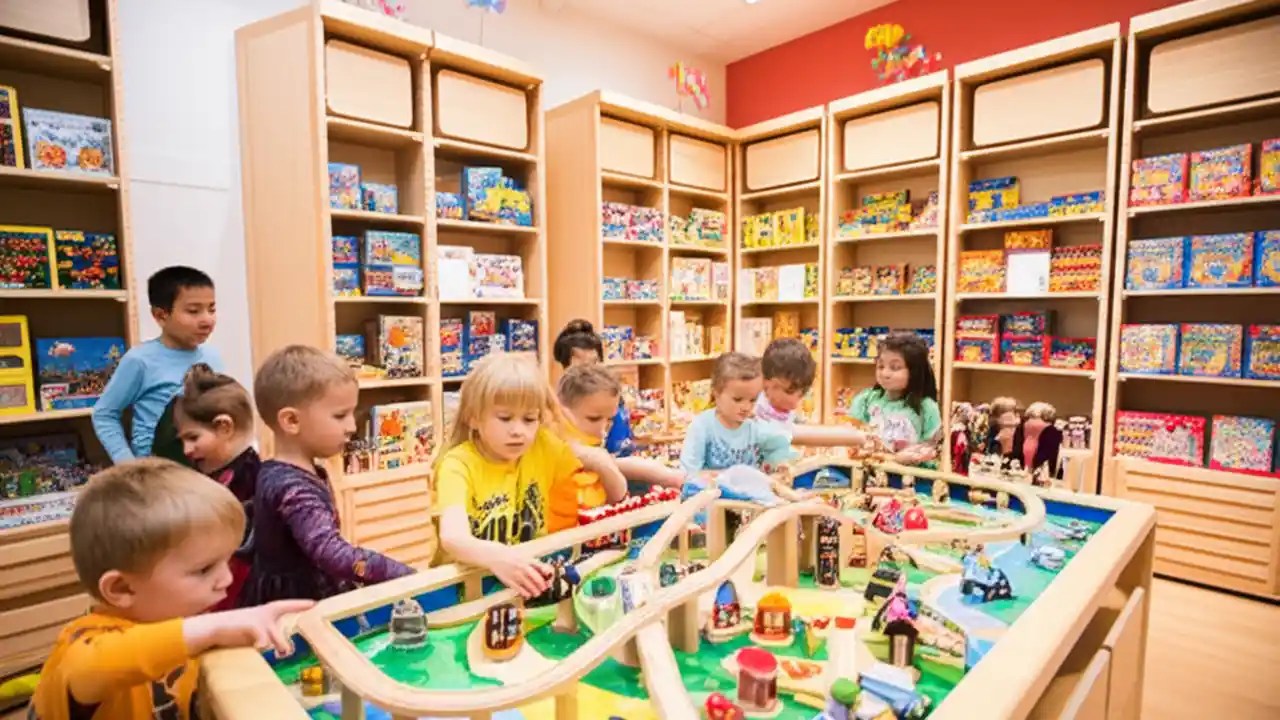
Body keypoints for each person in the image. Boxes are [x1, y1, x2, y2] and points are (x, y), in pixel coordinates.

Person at [31, 459, 312, 720]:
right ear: (122, 588)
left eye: (227, 561)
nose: (226, 579)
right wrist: (213, 627)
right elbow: (90, 667)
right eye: (204, 569)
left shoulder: (176, 618)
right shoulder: (83, 646)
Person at [436, 353, 622, 599]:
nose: (518, 431)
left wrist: (602, 461)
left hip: (522, 590)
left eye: (529, 419)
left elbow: (614, 484)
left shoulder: (543, 446)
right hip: (463, 595)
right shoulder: (458, 464)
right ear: (473, 417)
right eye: (505, 418)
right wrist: (499, 558)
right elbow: (453, 536)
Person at [240, 345, 413, 606]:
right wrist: (403, 575)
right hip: (297, 608)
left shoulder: (287, 471)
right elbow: (333, 554)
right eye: (340, 416)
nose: (352, 426)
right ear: (291, 421)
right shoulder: (293, 489)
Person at [92, 266, 222, 464]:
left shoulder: (213, 356)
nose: (207, 320)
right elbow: (104, 414)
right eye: (193, 311)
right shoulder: (139, 360)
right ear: (161, 316)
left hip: (204, 465)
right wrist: (127, 464)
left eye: (211, 309)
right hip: (159, 469)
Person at [553, 319, 683, 488]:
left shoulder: (613, 399)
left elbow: (621, 448)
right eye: (581, 366)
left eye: (594, 363)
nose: (590, 372)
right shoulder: (559, 411)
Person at [172, 363, 259, 610]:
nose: (187, 450)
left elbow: (241, 555)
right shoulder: (211, 474)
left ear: (224, 426)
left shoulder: (250, 479)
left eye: (193, 437)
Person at [680, 352, 795, 476]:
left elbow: (780, 444)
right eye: (737, 399)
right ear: (716, 393)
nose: (746, 407)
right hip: (713, 488)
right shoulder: (702, 427)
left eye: (753, 400)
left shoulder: (754, 426)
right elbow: (688, 473)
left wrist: (777, 464)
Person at [756, 337, 875, 449]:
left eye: (801, 394)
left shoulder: (784, 410)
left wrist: (845, 431)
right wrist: (851, 437)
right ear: (766, 383)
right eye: (789, 391)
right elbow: (791, 433)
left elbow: (800, 427)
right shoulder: (755, 410)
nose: (795, 403)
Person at [849, 332, 942, 466]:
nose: (885, 373)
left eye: (895, 368)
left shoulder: (926, 407)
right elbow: (852, 442)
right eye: (881, 366)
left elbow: (933, 450)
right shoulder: (865, 400)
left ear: (914, 371)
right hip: (870, 471)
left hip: (911, 475)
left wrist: (916, 455)